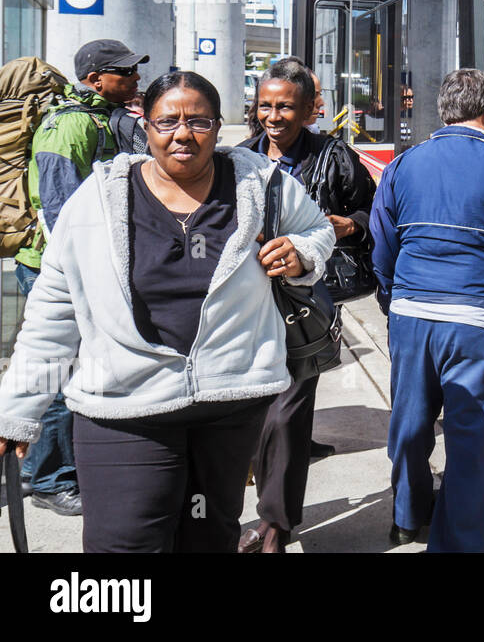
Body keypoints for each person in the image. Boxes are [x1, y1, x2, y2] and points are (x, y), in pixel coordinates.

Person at [0, 71, 335, 552]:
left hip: (228, 407)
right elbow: (53, 311)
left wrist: (301, 255)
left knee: (209, 537)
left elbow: (318, 230)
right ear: (146, 127)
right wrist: (16, 410)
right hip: (124, 409)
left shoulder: (261, 185)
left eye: (198, 121)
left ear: (218, 127)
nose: (183, 134)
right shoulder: (98, 199)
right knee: (124, 544)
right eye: (167, 121)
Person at [370, 68, 484, 552]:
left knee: (410, 423)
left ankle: (408, 515)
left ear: (444, 112)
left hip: (411, 315)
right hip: (477, 323)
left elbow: (382, 245)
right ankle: (461, 543)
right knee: (473, 440)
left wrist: (394, 301)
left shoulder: (402, 166)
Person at [237, 58, 375, 553]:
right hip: (247, 305)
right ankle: (263, 505)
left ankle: (275, 524)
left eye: (285, 107)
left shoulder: (335, 157)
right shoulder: (238, 158)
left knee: (286, 413)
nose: (273, 117)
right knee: (256, 414)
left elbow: (374, 211)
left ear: (308, 110)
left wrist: (349, 225)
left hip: (302, 303)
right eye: (265, 106)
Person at [12, 38, 150, 517]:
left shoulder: (101, 118)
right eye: (124, 72)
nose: (135, 78)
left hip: (75, 266)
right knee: (59, 371)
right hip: (55, 269)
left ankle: (45, 469)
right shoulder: (69, 126)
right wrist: (87, 275)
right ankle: (50, 481)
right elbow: (59, 212)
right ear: (95, 79)